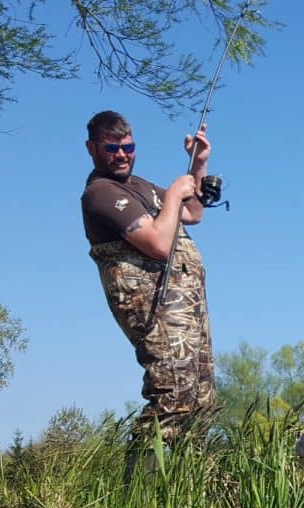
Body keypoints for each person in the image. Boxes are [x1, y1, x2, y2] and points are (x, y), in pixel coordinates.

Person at [80, 110, 216, 439]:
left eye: (128, 147)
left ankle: (190, 483)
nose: (122, 155)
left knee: (201, 398)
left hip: (186, 309)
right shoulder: (101, 192)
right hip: (154, 309)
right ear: (92, 149)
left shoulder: (141, 187)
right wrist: (171, 195)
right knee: (172, 395)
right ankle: (137, 483)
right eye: (111, 149)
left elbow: (193, 212)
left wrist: (198, 163)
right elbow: (157, 244)